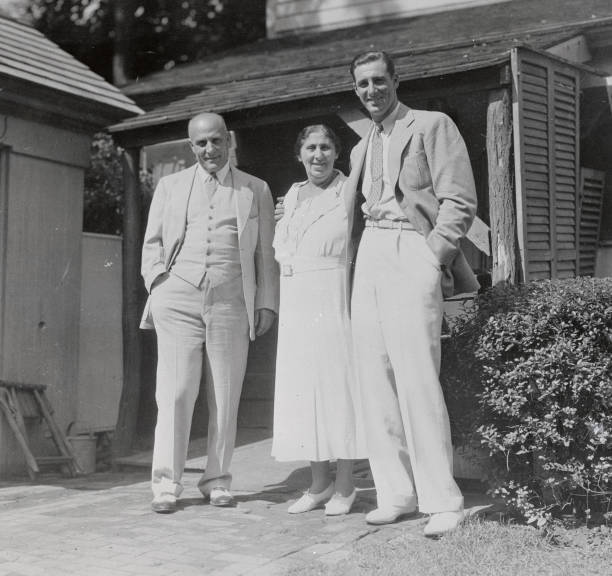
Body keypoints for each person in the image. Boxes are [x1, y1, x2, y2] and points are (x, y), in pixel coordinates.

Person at [344, 51, 480, 536]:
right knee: (374, 378)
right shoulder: (362, 147)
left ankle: (443, 499)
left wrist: (433, 256)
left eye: (380, 80)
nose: (372, 90)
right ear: (355, 89)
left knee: (419, 377)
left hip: (412, 249)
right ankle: (395, 492)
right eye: (363, 83)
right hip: (371, 255)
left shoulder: (430, 125)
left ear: (396, 81)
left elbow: (459, 197)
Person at [140, 112, 278, 513]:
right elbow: (151, 244)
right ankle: (167, 483)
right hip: (177, 296)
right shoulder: (170, 186)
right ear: (191, 147)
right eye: (200, 143)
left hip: (231, 298)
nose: (209, 150)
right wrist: (159, 283)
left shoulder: (256, 189)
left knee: (225, 391)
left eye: (216, 141)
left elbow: (264, 253)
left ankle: (217, 480)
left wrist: (266, 302)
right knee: (176, 391)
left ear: (229, 141)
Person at [272, 125, 365, 516]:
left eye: (326, 147)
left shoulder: (348, 192)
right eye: (310, 147)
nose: (318, 155)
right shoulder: (290, 196)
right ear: (299, 153)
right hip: (295, 302)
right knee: (303, 390)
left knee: (336, 389)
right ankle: (319, 483)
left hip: (332, 295)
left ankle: (346, 486)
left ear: (337, 153)